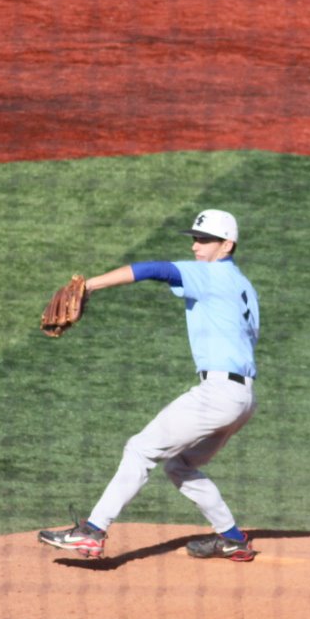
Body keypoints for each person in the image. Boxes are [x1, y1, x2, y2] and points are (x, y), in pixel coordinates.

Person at [39, 209, 261, 562]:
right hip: (243, 398)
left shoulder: (210, 274)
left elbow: (155, 269)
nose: (195, 246)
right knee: (180, 465)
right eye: (194, 238)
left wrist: (91, 285)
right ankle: (232, 538)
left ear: (227, 245)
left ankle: (92, 532)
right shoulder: (243, 285)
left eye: (204, 239)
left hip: (218, 394)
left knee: (141, 449)